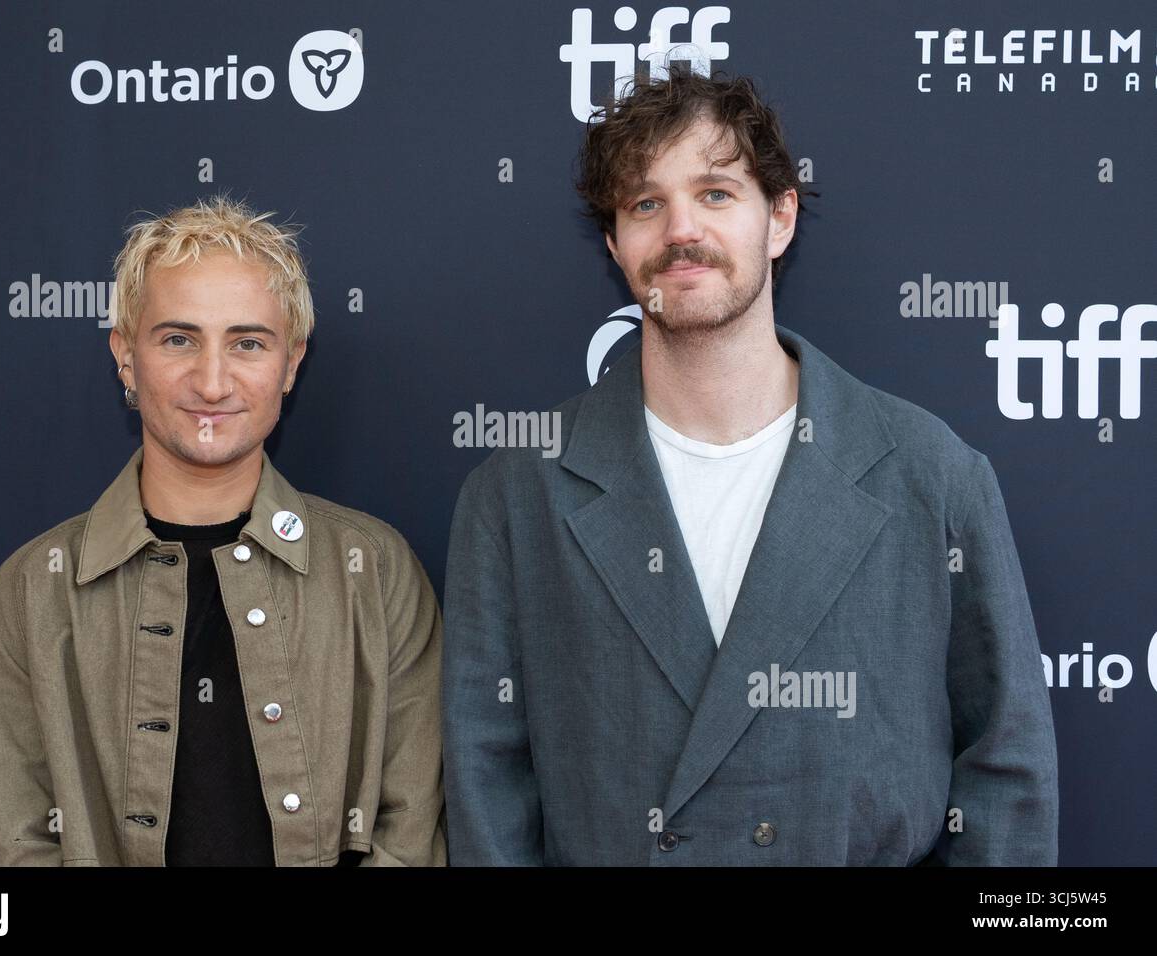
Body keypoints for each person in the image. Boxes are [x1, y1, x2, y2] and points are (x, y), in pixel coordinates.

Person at [441, 69, 1057, 865]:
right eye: (645, 204)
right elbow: (487, 786)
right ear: (615, 243)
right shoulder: (517, 494)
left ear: (781, 218)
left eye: (716, 193)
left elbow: (1007, 771)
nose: (681, 230)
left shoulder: (931, 475)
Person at [0, 195, 446, 866]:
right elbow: (18, 845)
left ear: (291, 364)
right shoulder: (32, 592)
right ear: (126, 356)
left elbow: (409, 835)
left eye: (247, 343)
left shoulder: (377, 571)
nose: (213, 382)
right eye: (178, 339)